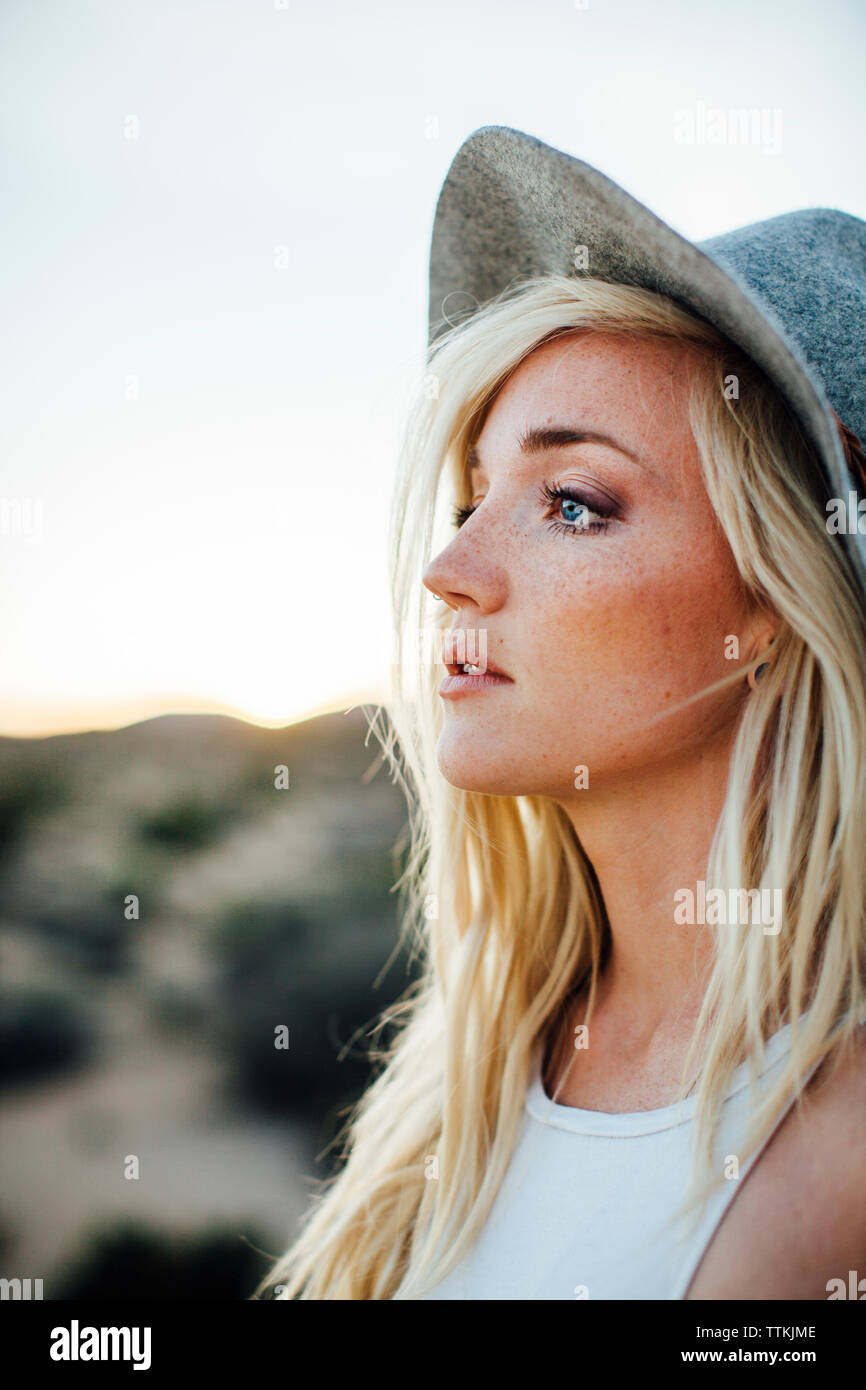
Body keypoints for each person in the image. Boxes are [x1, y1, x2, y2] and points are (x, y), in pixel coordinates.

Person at [256, 127, 866, 1300]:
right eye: (473, 493)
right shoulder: (462, 1074)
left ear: (785, 594)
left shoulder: (836, 1160)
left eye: (572, 502)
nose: (449, 566)